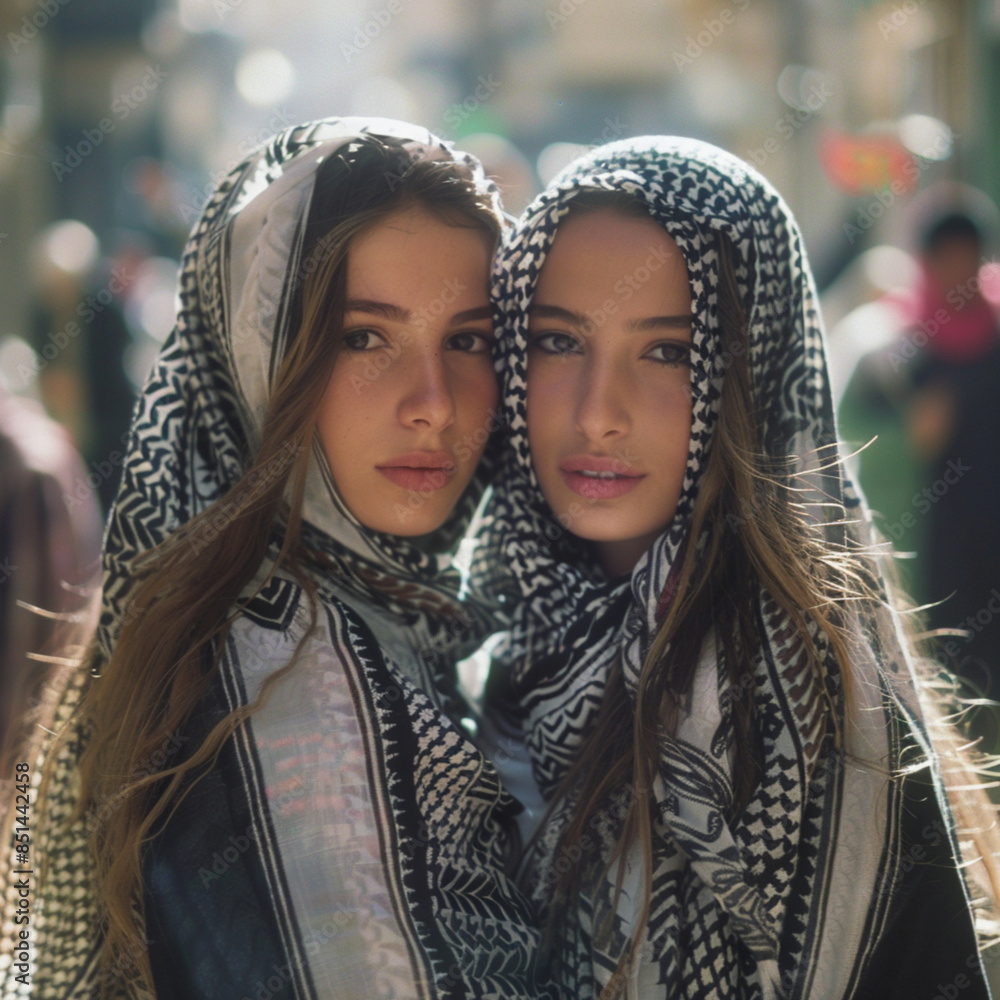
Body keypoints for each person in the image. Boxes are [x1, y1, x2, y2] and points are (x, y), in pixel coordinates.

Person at [2, 118, 550, 1000]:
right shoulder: (304, 692)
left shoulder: (206, 619)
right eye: (362, 337)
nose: (434, 405)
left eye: (470, 339)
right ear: (258, 358)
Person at [476, 137, 997, 998]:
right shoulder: (512, 645)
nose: (599, 413)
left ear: (747, 372)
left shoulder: (794, 707)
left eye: (668, 352)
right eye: (558, 342)